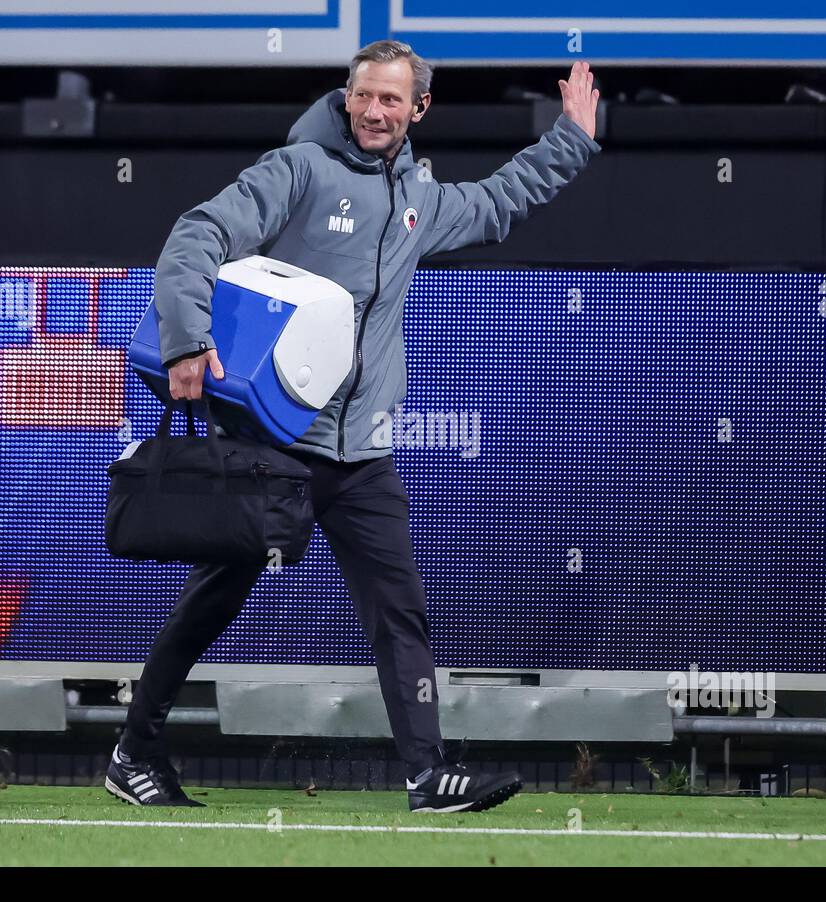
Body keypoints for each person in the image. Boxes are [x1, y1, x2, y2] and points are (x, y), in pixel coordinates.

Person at [106, 40, 602, 812]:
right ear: (347, 96)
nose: (373, 111)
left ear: (419, 109)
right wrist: (185, 340)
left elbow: (500, 202)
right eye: (363, 96)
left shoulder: (420, 198)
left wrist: (571, 138)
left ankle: (428, 774)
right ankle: (133, 752)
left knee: (399, 608)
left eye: (391, 100)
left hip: (361, 452)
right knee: (215, 597)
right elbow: (196, 234)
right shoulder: (299, 168)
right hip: (273, 442)